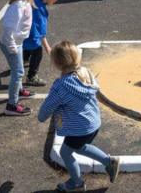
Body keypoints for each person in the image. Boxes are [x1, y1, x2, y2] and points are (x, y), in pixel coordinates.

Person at [37, 40, 121, 192]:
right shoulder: (85, 72)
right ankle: (109, 162)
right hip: (93, 123)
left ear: (56, 64)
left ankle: (77, 183)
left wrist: (41, 117)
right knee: (80, 147)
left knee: (65, 152)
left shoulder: (61, 86)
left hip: (79, 128)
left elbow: (47, 107)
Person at [0, 0, 42, 116]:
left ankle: (18, 90)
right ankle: (11, 105)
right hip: (11, 44)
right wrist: (12, 47)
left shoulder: (25, 2)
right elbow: (7, 29)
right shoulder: (18, 6)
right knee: (18, 72)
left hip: (17, 42)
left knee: (17, 70)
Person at [22, 0, 60, 87]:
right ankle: (31, 76)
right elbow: (40, 32)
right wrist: (48, 48)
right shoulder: (38, 10)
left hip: (23, 34)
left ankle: (23, 60)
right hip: (30, 35)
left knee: (27, 48)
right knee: (37, 51)